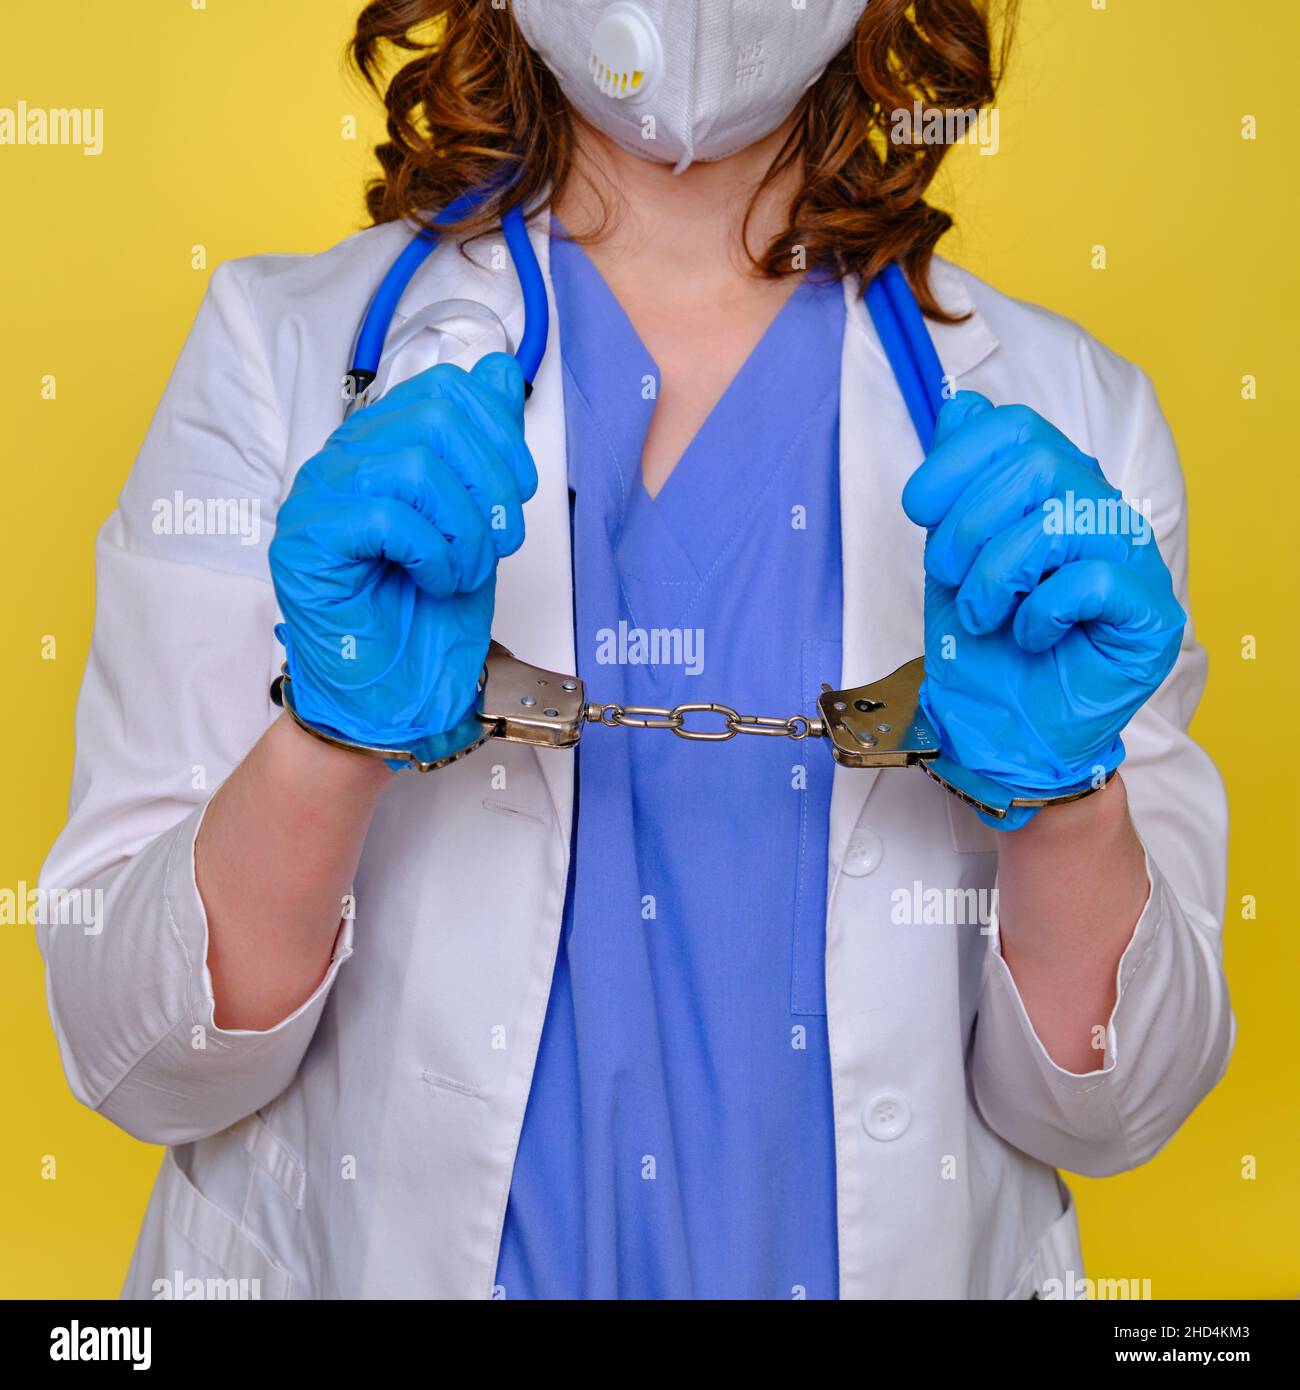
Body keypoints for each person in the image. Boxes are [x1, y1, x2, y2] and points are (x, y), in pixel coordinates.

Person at [39, 0, 1232, 1300]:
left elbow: (1114, 1116)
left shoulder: (1075, 433)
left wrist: (1064, 801)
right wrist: (326, 738)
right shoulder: (280, 356)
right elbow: (133, 1054)